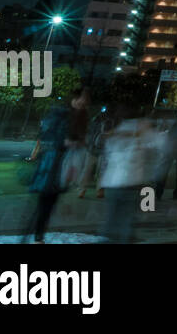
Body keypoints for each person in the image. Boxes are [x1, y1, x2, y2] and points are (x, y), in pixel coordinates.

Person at [100, 106, 166, 243]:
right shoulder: (143, 130)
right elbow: (163, 145)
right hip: (131, 182)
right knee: (126, 219)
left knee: (111, 219)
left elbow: (107, 153)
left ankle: (108, 239)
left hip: (112, 182)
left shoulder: (116, 130)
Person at [26, 94, 73, 243]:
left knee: (42, 204)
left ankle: (37, 234)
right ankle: (39, 234)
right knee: (47, 206)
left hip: (43, 172)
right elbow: (66, 147)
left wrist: (35, 156)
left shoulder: (47, 126)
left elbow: (40, 143)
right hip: (54, 174)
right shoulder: (63, 128)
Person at [78, 105, 111, 198]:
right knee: (89, 170)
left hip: (101, 150)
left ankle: (96, 190)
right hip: (94, 149)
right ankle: (83, 189)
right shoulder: (95, 121)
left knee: (99, 171)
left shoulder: (107, 122)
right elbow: (89, 133)